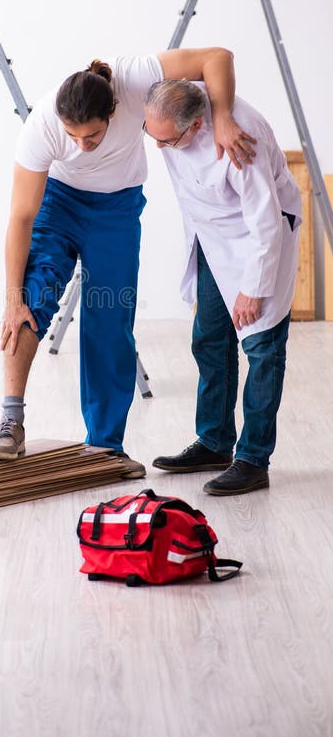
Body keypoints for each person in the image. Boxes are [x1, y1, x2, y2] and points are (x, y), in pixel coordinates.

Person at [0, 49, 257, 479]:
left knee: (109, 322)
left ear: (113, 111)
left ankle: (105, 448)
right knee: (32, 298)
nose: (81, 146)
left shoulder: (133, 80)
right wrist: (12, 298)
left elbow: (217, 57)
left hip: (117, 208)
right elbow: (20, 218)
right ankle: (10, 420)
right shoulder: (41, 128)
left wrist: (222, 116)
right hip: (58, 203)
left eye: (90, 137)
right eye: (72, 137)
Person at [144, 79, 301, 494]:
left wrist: (254, 286)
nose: (159, 147)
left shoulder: (239, 145)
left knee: (263, 348)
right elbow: (215, 58)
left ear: (197, 126)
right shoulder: (176, 107)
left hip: (260, 239)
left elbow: (265, 221)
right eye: (153, 135)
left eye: (168, 140)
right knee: (210, 338)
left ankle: (253, 459)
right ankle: (214, 442)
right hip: (213, 237)